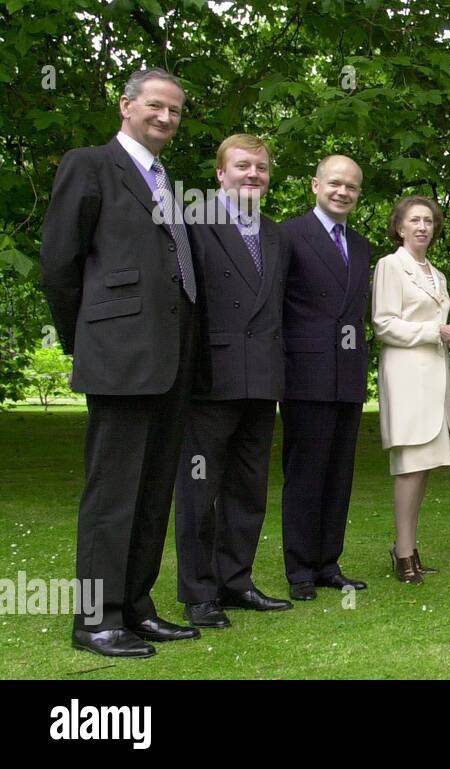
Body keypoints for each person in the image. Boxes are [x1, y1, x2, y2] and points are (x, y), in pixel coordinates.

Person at [41, 67, 204, 657]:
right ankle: (94, 620)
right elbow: (60, 263)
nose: (165, 118)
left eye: (175, 111)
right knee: (112, 492)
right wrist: (83, 339)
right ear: (126, 105)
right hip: (118, 355)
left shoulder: (168, 181)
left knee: (154, 488)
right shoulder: (89, 164)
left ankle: (135, 606)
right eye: (156, 106)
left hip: (171, 359)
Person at [175, 133, 292, 629]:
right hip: (210, 379)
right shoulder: (194, 225)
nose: (253, 175)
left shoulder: (275, 234)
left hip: (262, 380)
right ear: (220, 173)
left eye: (261, 168)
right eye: (242, 166)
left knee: (248, 488)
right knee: (200, 489)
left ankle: (236, 582)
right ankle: (199, 593)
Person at [279, 155, 373, 601]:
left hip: (349, 376)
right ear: (315, 184)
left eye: (351, 186)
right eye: (335, 183)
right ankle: (299, 569)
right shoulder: (287, 236)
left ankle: (327, 563)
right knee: (305, 474)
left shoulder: (361, 245)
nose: (343, 192)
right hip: (305, 374)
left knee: (339, 475)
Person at [372, 196, 450, 584]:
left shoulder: (437, 274)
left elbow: (434, 323)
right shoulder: (390, 266)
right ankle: (403, 552)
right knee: (409, 465)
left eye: (428, 220)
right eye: (414, 220)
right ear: (400, 226)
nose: (423, 227)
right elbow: (384, 324)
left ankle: (407, 546)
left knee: (424, 465)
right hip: (406, 374)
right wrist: (433, 331)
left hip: (434, 374)